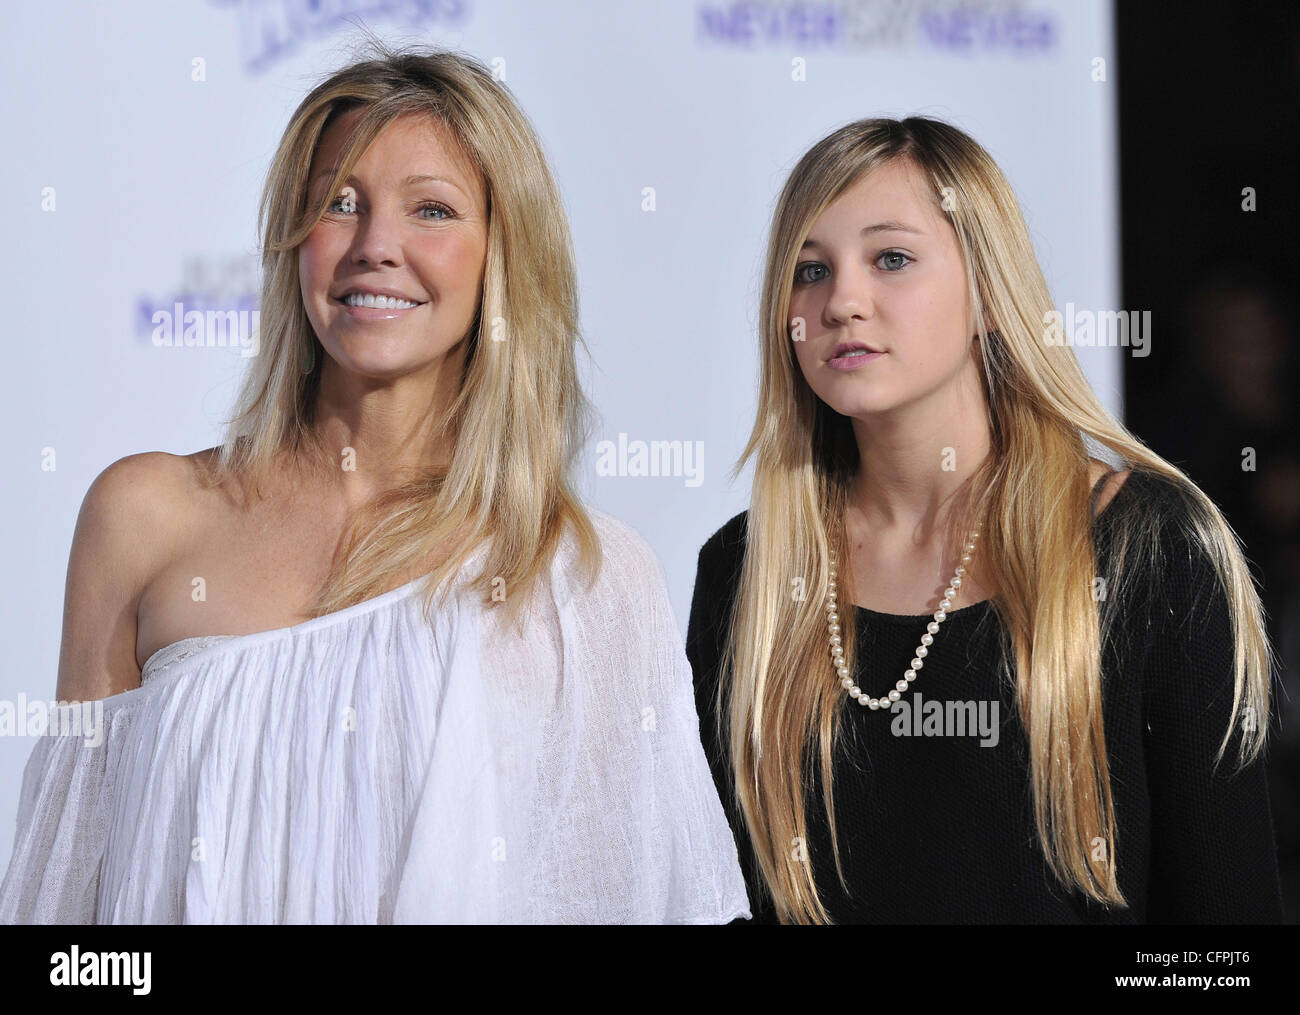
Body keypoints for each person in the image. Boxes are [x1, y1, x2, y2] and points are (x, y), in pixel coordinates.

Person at [0, 43, 749, 924]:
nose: (375, 247)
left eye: (431, 209)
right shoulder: (143, 517)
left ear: (501, 254)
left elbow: (637, 894)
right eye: (337, 204)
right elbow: (59, 911)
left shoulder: (583, 577)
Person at [686, 116, 1284, 924]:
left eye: (890, 258)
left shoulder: (1151, 547)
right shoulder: (743, 572)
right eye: (809, 270)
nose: (841, 302)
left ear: (989, 293)